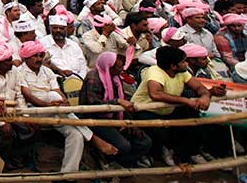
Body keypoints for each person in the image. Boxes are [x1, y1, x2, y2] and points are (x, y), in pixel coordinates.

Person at [14, 40, 116, 172]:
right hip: (35, 110)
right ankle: (94, 139)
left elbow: (57, 91)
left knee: (76, 135)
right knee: (52, 96)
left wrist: (63, 100)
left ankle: (68, 174)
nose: (39, 59)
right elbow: (28, 96)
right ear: (26, 57)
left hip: (56, 111)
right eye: (35, 56)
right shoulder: (19, 72)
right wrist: (50, 104)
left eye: (41, 55)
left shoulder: (47, 71)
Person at [131, 46, 222, 165]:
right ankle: (162, 151)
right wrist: (186, 101)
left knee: (193, 124)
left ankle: (190, 153)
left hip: (167, 109)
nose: (186, 64)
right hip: (145, 110)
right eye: (183, 62)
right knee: (162, 132)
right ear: (173, 66)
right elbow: (155, 94)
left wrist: (205, 96)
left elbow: (199, 87)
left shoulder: (182, 72)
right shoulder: (154, 71)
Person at [78, 51, 152, 168]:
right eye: (119, 67)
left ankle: (122, 163)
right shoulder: (93, 78)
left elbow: (124, 101)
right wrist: (116, 102)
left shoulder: (116, 78)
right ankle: (111, 161)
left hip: (117, 117)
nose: (122, 70)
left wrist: (131, 122)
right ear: (109, 67)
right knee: (123, 146)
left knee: (145, 142)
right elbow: (94, 105)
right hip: (96, 119)